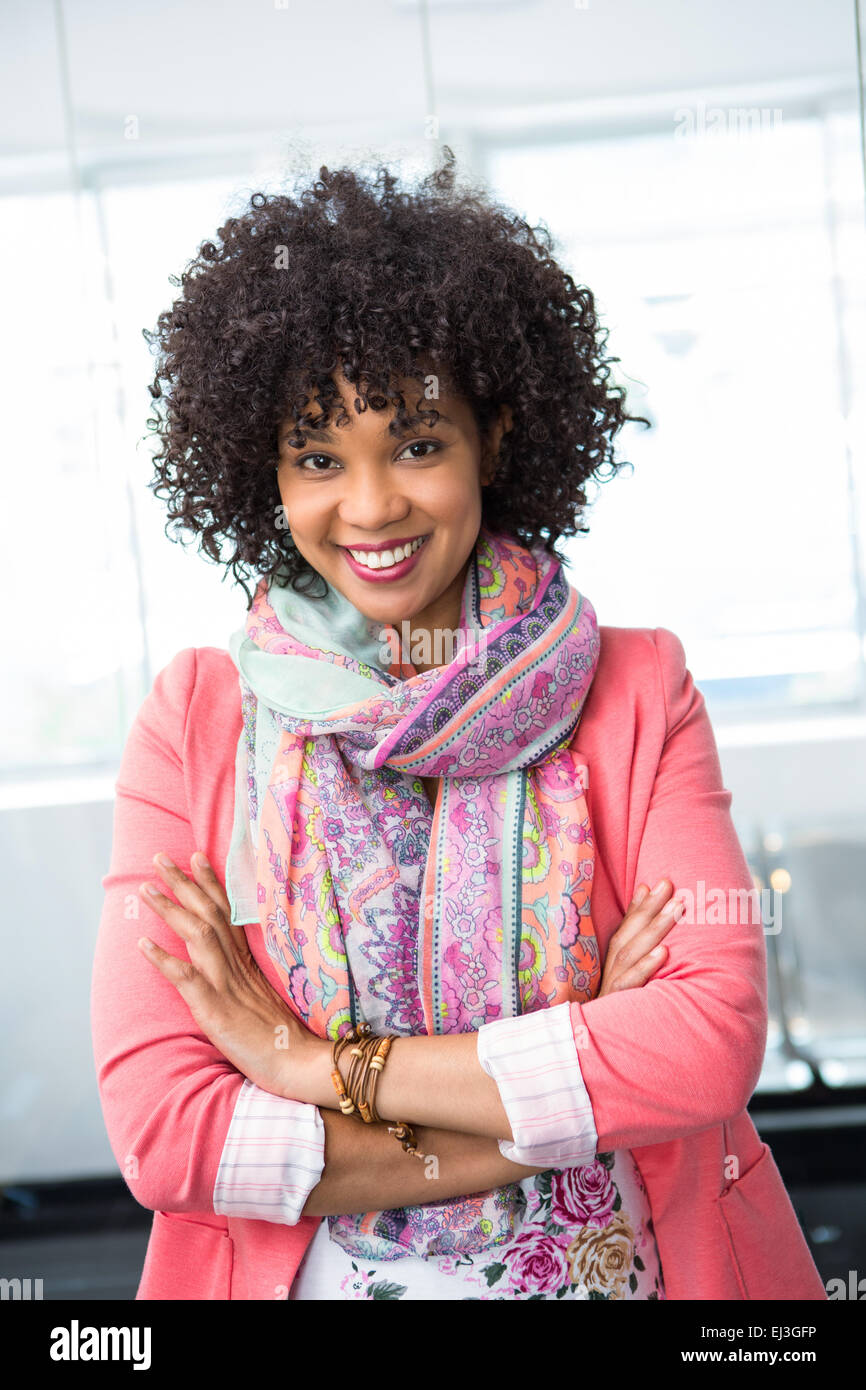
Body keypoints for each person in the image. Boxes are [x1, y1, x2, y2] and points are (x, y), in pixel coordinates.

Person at [91, 150, 826, 1301]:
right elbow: (170, 1133)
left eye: (418, 444)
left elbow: (702, 1047)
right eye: (318, 456)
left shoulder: (636, 687)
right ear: (263, 474)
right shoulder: (197, 719)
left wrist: (301, 1062)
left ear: (494, 431)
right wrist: (575, 1079)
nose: (371, 504)